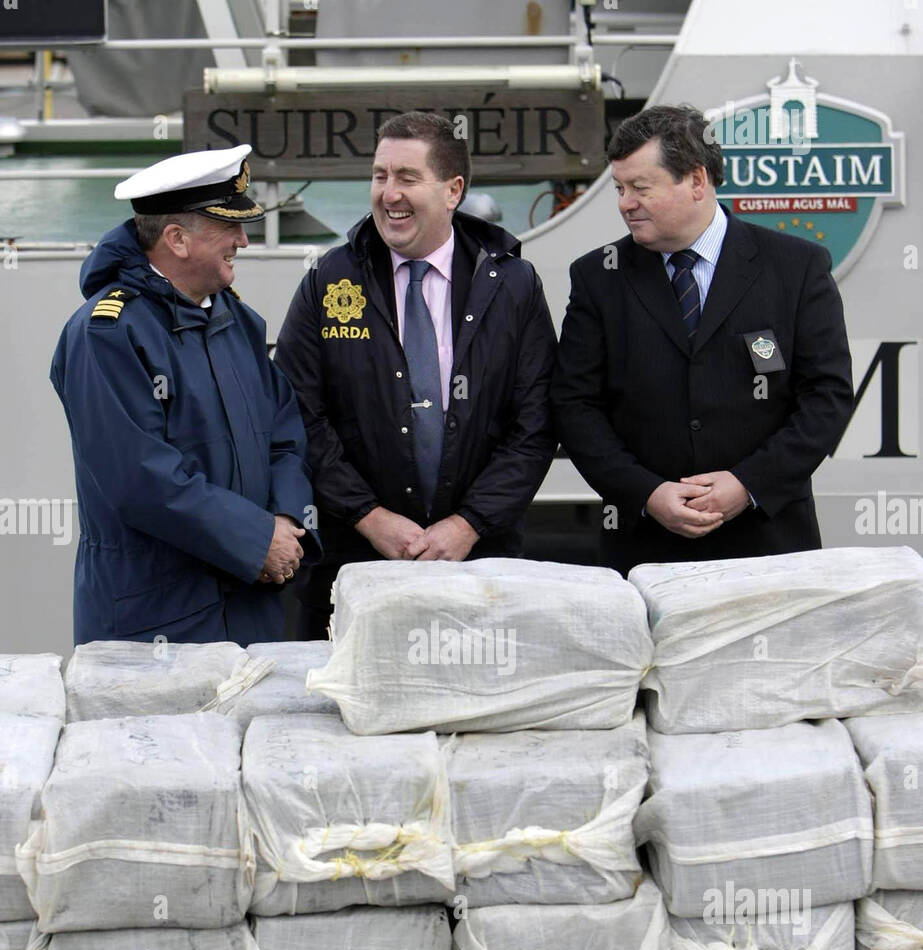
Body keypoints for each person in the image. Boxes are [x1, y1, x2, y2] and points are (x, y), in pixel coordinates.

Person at [275, 110, 557, 639]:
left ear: (453, 190)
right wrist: (368, 516)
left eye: (407, 178)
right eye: (380, 176)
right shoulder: (329, 281)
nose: (389, 193)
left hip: (479, 568)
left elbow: (536, 424)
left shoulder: (513, 287)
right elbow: (297, 415)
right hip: (349, 570)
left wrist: (468, 524)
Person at [552, 104, 855, 575]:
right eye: (619, 188)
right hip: (644, 553)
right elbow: (574, 405)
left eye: (640, 187)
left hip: (770, 548)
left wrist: (746, 485)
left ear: (696, 181)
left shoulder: (796, 268)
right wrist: (648, 494)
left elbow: (826, 398)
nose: (624, 203)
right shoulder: (598, 276)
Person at [51, 143, 318, 644]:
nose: (243, 238)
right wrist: (257, 541)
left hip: (252, 611)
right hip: (156, 621)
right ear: (176, 238)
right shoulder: (106, 334)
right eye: (229, 227)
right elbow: (142, 479)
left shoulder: (234, 319)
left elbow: (285, 436)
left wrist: (286, 522)